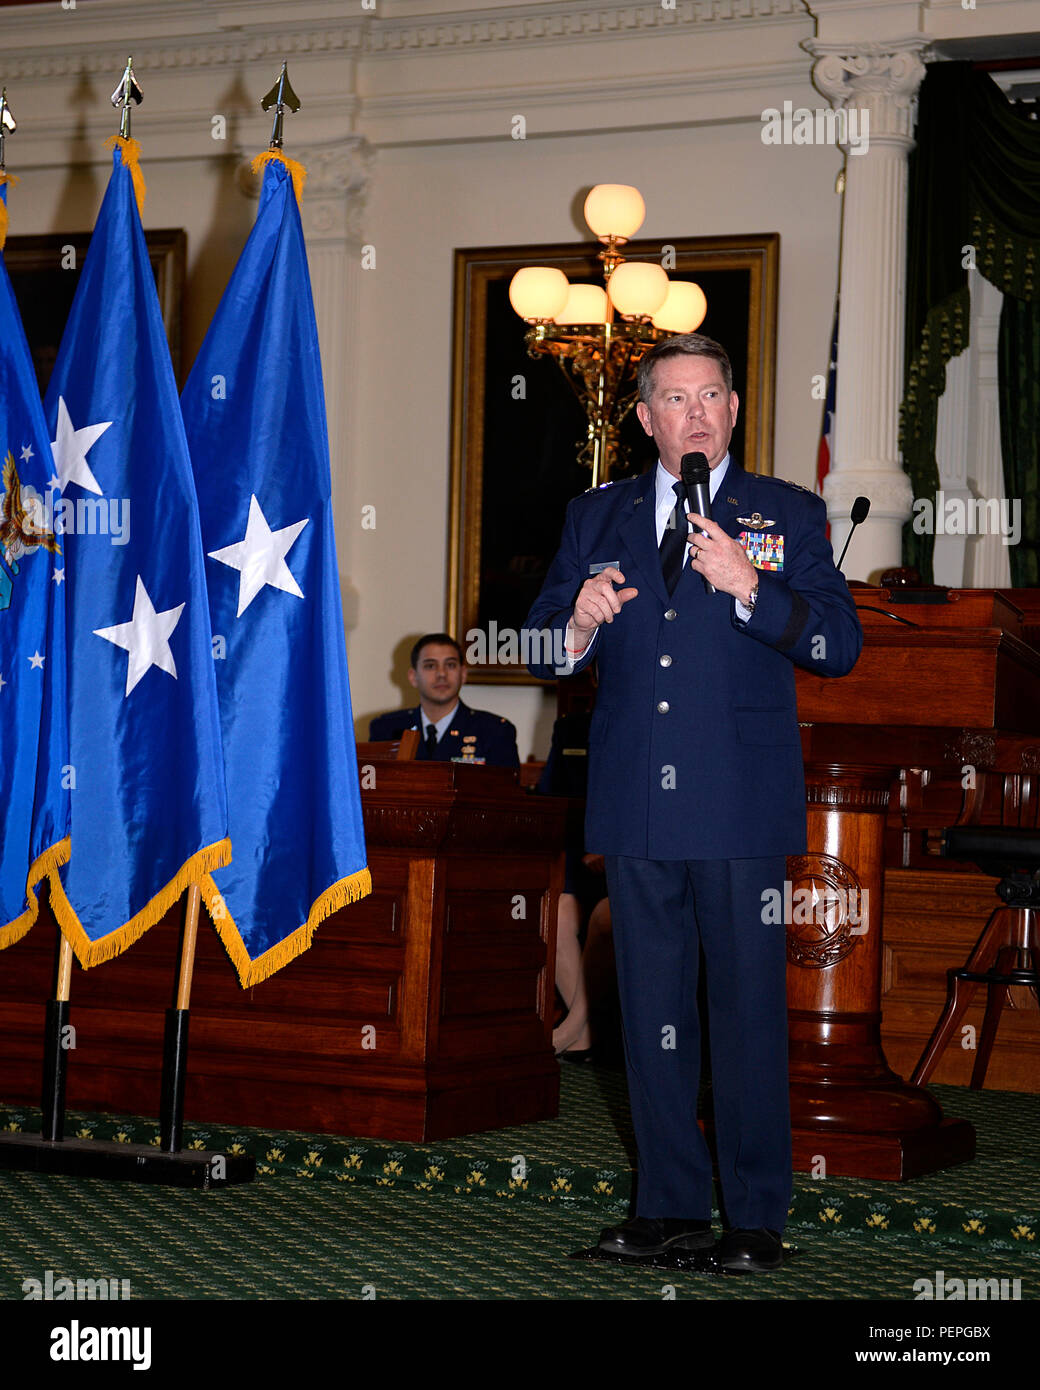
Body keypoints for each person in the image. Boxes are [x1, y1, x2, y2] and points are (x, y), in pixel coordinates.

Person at [525, 332, 862, 1272]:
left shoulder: (785, 511)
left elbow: (839, 645)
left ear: (735, 408)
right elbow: (538, 645)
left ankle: (754, 1217)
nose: (697, 413)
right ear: (645, 418)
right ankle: (669, 1206)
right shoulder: (596, 514)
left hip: (739, 804)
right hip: (637, 799)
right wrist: (576, 623)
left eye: (712, 395)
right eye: (676, 399)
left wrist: (753, 588)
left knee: (746, 1012)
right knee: (651, 1012)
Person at [369, 632, 519, 767]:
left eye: (450, 665)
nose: (441, 674)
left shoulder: (494, 731)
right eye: (430, 666)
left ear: (463, 674)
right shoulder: (386, 730)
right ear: (413, 677)